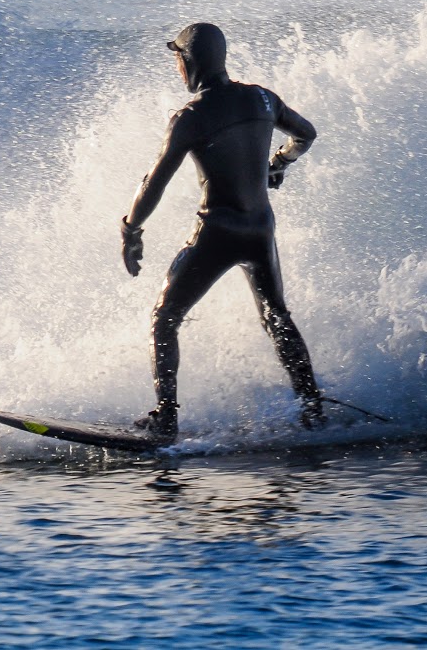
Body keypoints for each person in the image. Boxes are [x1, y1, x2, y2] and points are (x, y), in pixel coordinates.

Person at [120, 22, 323, 442]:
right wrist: (280, 162)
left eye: (177, 59)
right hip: (260, 230)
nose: (176, 67)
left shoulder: (189, 118)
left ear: (187, 61)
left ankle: (166, 417)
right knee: (276, 316)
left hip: (217, 233)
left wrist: (131, 229)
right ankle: (312, 407)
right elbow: (306, 134)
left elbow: (154, 183)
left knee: (164, 317)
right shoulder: (262, 98)